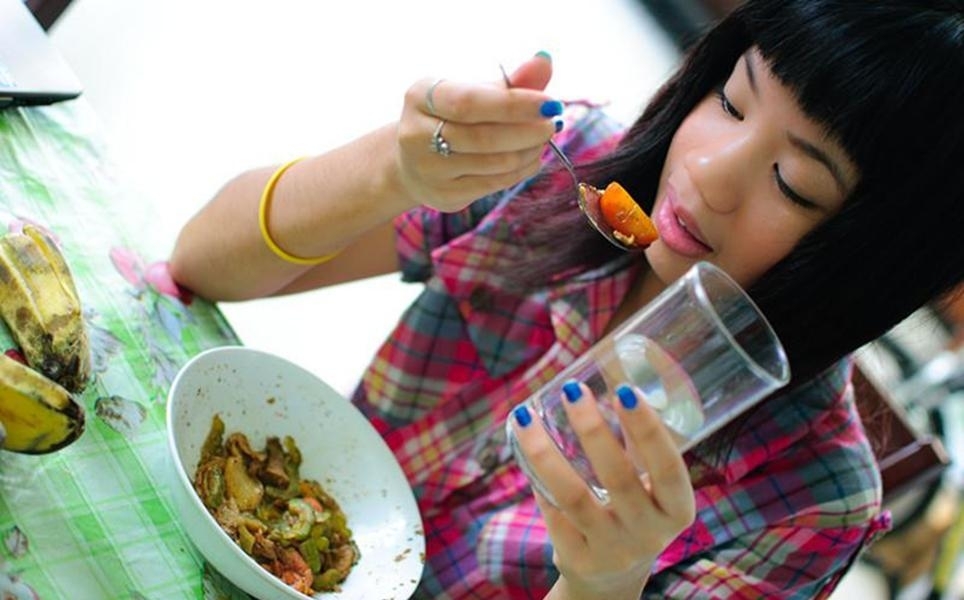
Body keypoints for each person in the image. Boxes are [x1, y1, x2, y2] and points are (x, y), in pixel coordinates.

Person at [169, 0, 964, 597]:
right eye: (730, 100)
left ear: (871, 258)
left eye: (792, 183)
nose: (711, 173)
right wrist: (393, 170)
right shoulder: (575, 163)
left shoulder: (814, 504)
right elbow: (203, 262)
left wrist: (602, 581)